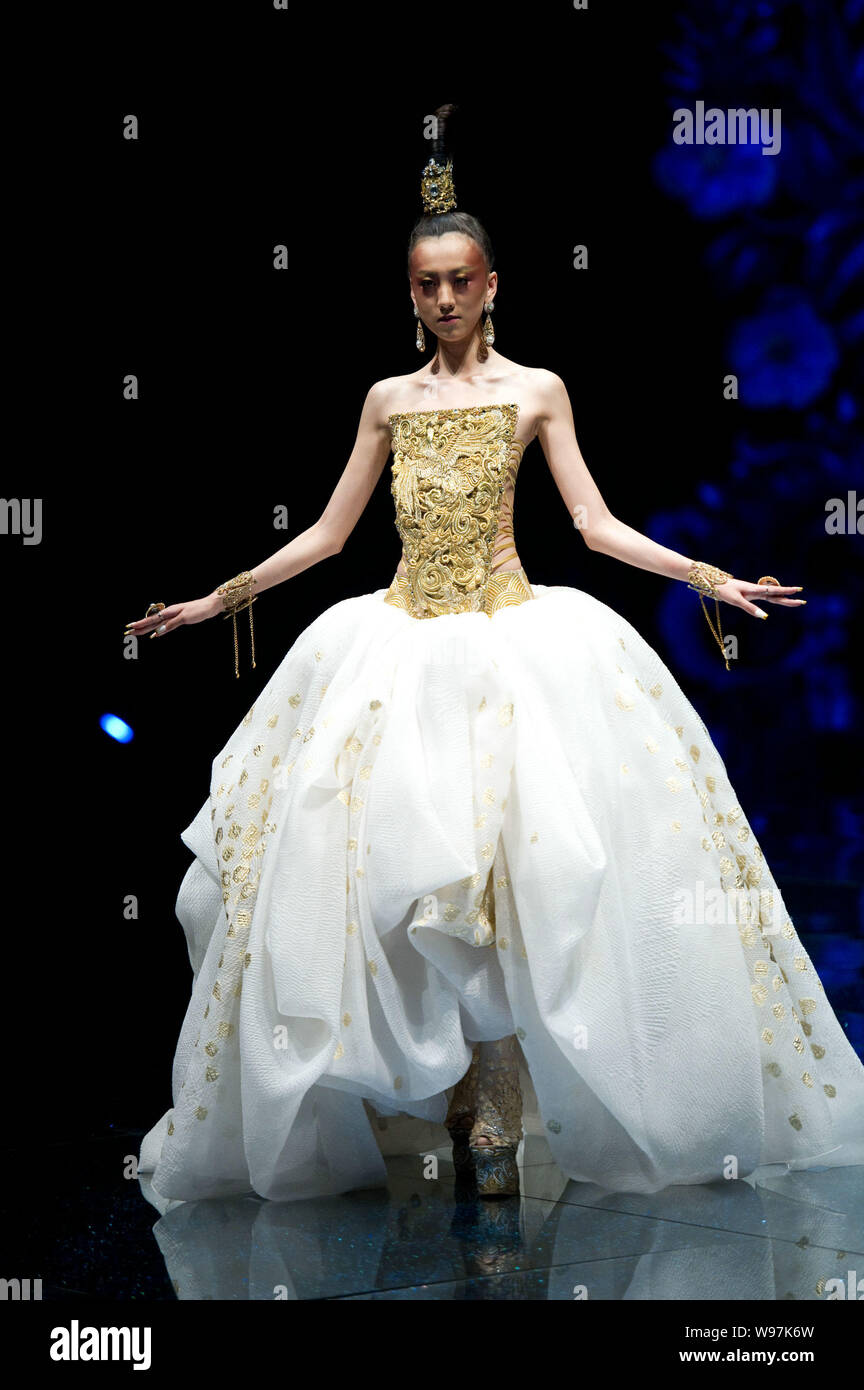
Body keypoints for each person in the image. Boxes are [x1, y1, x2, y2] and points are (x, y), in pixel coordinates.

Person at [133, 105, 864, 1205]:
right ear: (409, 291)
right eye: (424, 284)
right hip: (395, 647)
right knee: (390, 879)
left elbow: (595, 523)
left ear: (491, 283)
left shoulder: (537, 390)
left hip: (518, 643)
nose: (442, 300)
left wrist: (709, 576)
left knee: (522, 877)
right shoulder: (389, 401)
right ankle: (445, 1098)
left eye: (459, 281)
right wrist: (213, 598)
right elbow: (332, 535)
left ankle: (503, 1098)